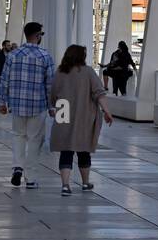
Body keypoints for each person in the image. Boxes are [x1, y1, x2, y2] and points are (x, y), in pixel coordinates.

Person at [48, 44, 114, 196]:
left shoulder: (60, 72)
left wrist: (53, 107)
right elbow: (99, 93)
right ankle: (85, 182)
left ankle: (65, 185)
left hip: (63, 113)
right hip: (84, 114)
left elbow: (53, 94)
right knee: (83, 150)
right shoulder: (88, 72)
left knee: (66, 150)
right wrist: (107, 111)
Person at [0, 22, 55, 189]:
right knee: (35, 139)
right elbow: (50, 84)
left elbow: (4, 80)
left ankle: (18, 167)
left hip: (17, 104)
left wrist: (2, 102)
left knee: (18, 136)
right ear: (37, 36)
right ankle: (30, 177)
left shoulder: (13, 55)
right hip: (38, 105)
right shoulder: (45, 56)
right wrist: (52, 107)